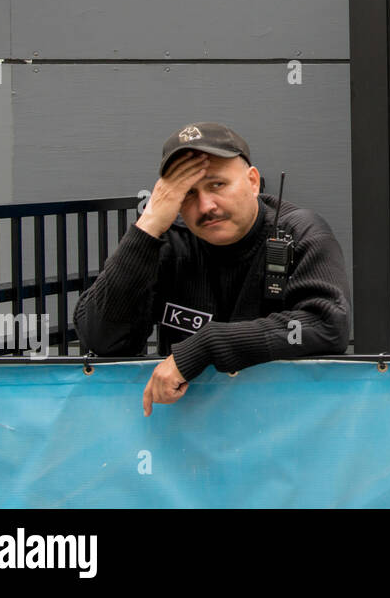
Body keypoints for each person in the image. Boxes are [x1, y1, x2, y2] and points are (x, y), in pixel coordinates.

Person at [74, 122, 350, 414]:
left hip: (280, 423)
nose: (206, 206)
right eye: (188, 193)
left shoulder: (300, 232)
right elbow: (101, 339)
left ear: (253, 182)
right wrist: (148, 227)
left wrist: (205, 346)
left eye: (217, 185)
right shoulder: (165, 242)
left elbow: (327, 326)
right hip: (188, 430)